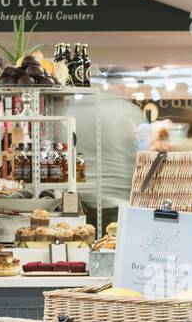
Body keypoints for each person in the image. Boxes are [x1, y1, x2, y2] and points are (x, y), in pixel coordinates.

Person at [60, 91, 145, 232]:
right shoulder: (124, 110)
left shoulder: (73, 111)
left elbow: (67, 149)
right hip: (117, 198)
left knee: (83, 245)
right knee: (113, 247)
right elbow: (139, 155)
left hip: (80, 200)